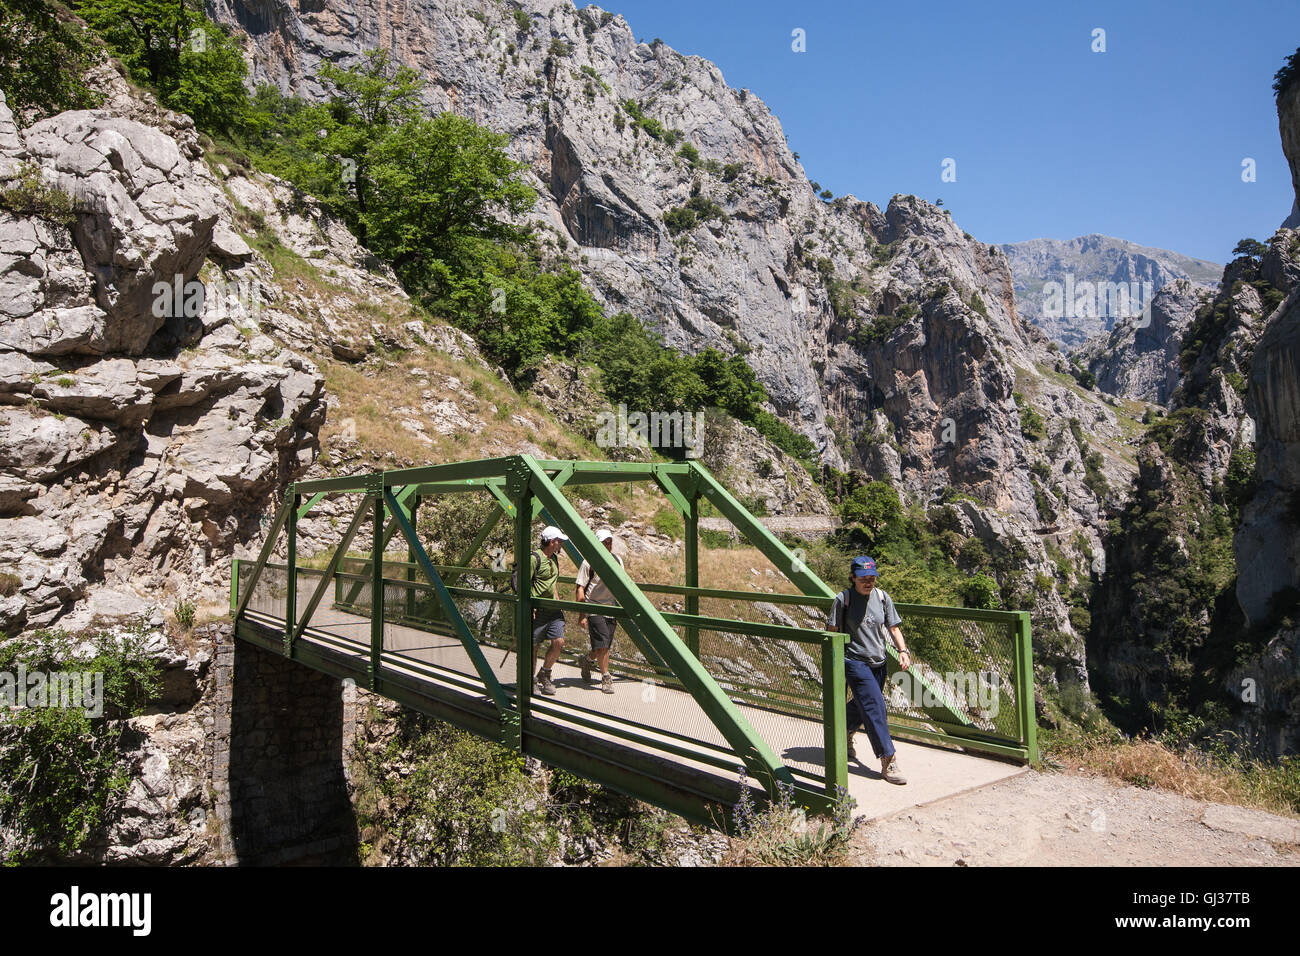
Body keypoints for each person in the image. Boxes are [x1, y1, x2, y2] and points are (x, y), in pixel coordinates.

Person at [827, 555, 911, 785]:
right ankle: (888, 759)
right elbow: (832, 631)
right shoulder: (843, 599)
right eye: (864, 578)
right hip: (854, 662)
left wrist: (903, 651)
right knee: (875, 706)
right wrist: (833, 663)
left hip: (879, 662)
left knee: (861, 704)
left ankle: (842, 731)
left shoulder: (883, 597)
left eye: (872, 577)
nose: (869, 582)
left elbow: (893, 628)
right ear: (853, 577)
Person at [574, 529, 624, 695]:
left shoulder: (617, 560)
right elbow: (580, 588)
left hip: (610, 607)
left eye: (610, 541)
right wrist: (583, 614)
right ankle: (606, 678)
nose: (608, 544)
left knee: (603, 646)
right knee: (603, 643)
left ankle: (586, 661)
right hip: (594, 607)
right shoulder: (588, 562)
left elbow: (622, 583)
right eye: (604, 542)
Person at [531, 526, 569, 695]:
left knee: (558, 642)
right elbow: (523, 583)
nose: (561, 544)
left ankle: (545, 673)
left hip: (553, 609)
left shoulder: (554, 558)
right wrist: (529, 605)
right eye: (559, 541)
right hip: (537, 609)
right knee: (533, 646)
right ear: (552, 542)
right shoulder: (534, 558)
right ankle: (530, 679)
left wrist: (558, 601)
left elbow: (551, 583)